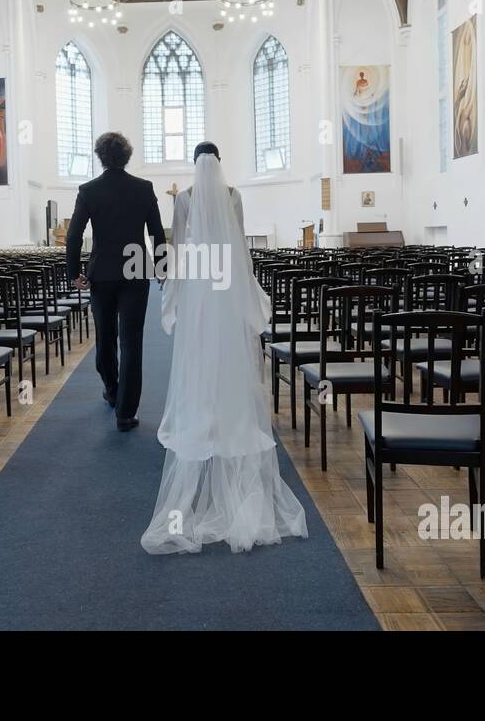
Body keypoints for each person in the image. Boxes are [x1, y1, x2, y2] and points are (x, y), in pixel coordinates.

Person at [140, 142, 308, 554]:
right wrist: (246, 290)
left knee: (199, 351)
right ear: (220, 162)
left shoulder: (183, 197)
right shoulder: (234, 195)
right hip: (226, 281)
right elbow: (241, 247)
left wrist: (173, 293)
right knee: (230, 352)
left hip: (199, 281)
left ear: (196, 164)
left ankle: (203, 411)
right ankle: (229, 413)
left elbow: (177, 247)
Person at [65, 133, 166, 432]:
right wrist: (161, 268)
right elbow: (157, 234)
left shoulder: (88, 190)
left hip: (102, 273)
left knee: (105, 336)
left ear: (100, 156)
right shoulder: (144, 188)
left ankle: (111, 389)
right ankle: (126, 412)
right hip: (135, 271)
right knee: (132, 342)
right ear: (127, 155)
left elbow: (73, 236)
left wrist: (74, 273)